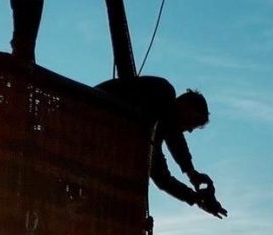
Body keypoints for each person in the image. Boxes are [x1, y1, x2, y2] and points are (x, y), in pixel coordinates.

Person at [96, 75, 227, 218]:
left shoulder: (154, 127)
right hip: (94, 112)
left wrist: (195, 195)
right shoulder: (163, 92)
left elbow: (161, 176)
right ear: (185, 105)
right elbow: (173, 137)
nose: (189, 129)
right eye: (193, 121)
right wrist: (191, 174)